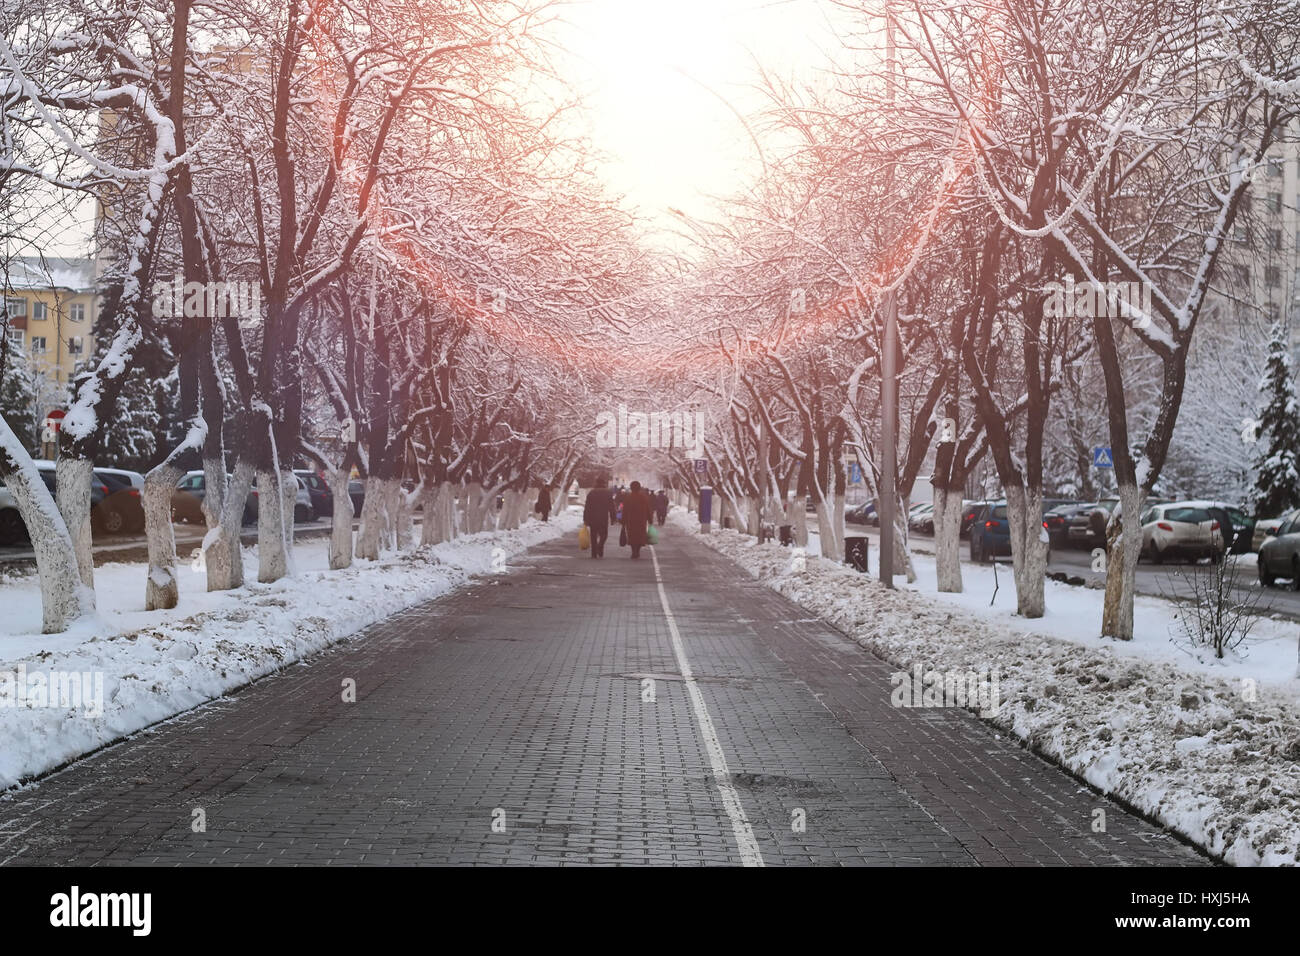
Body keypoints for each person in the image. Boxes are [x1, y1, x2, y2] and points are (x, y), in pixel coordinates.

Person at [583, 484, 616, 558]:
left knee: (593, 535)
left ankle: (594, 553)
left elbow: (587, 507)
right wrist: (613, 517)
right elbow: (612, 506)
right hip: (603, 517)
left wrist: (585, 519)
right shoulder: (608, 493)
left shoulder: (591, 493)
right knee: (604, 534)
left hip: (592, 517)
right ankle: (600, 545)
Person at [622, 481, 653, 559]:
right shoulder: (644, 497)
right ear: (639, 488)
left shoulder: (628, 497)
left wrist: (623, 520)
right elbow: (648, 509)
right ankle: (637, 551)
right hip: (641, 520)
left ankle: (633, 551)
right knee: (640, 536)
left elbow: (624, 510)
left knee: (632, 535)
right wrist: (650, 519)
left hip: (631, 520)